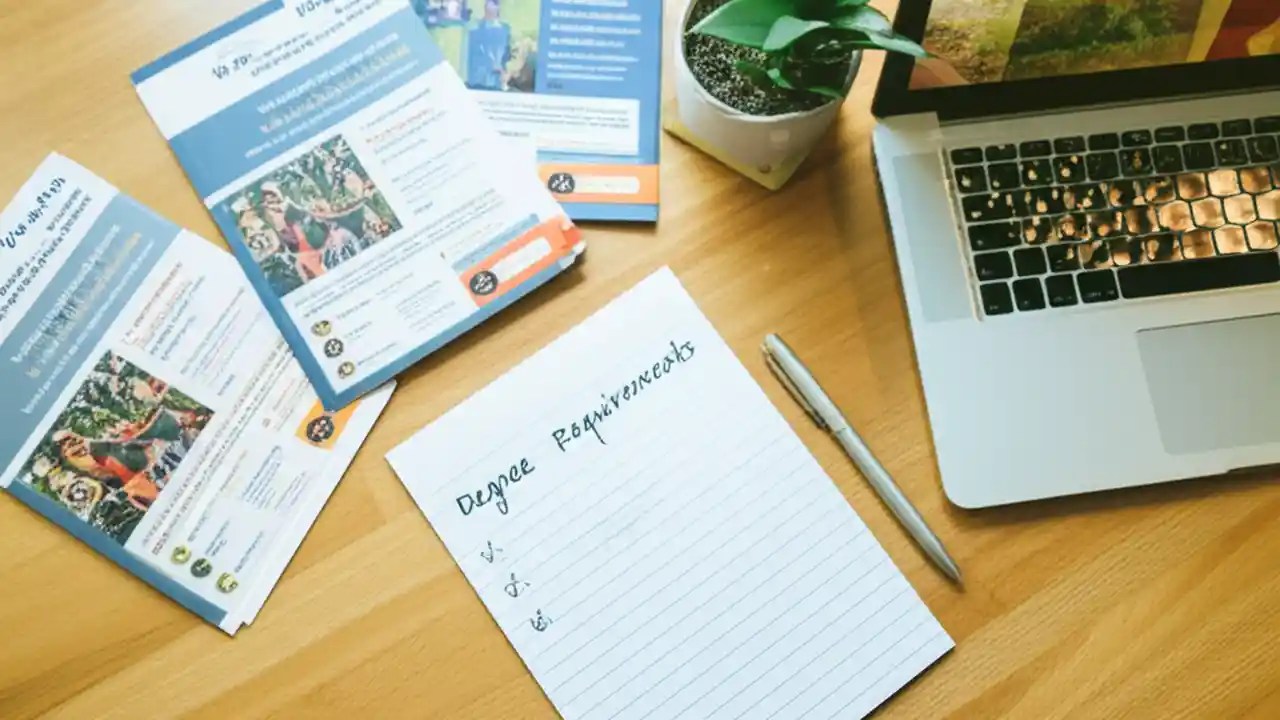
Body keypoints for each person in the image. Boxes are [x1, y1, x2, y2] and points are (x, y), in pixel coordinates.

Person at [467, 0, 512, 90]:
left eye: (494, 4)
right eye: (489, 3)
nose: (491, 7)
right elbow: (471, 58)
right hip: (479, 82)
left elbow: (508, 54)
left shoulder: (505, 29)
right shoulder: (475, 31)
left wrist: (506, 73)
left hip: (498, 82)